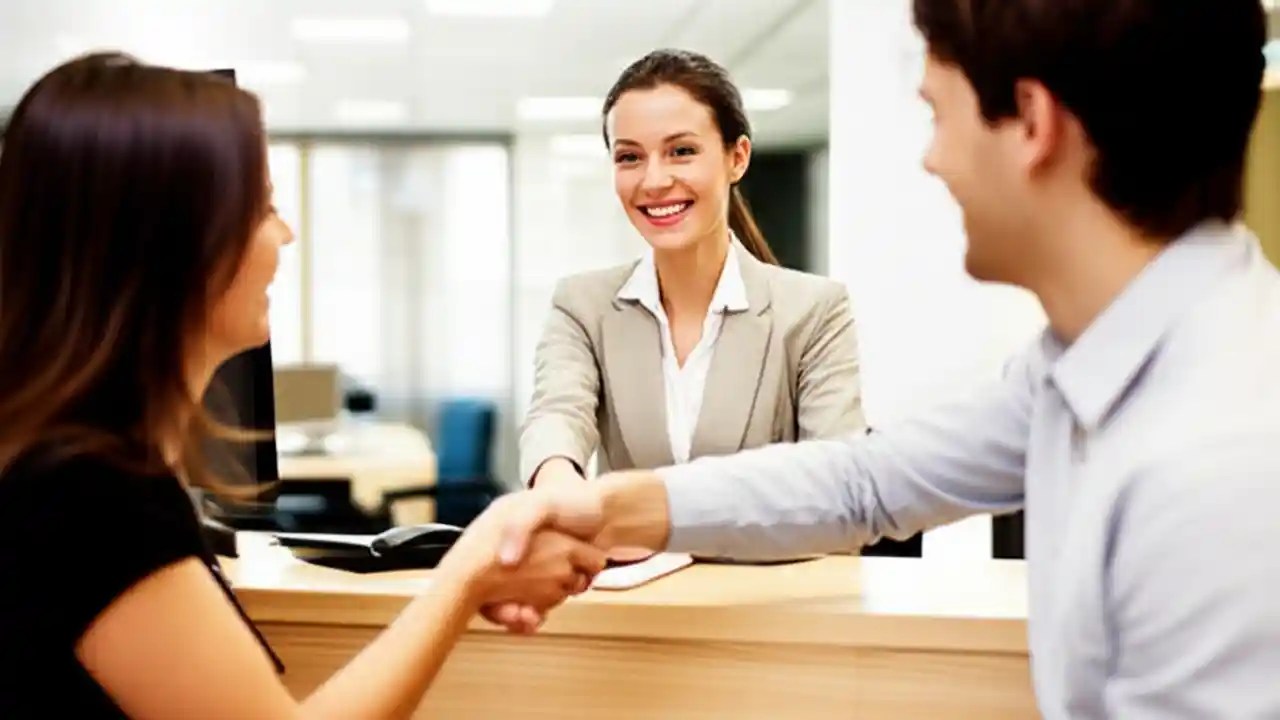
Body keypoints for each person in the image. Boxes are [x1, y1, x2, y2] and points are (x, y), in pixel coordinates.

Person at [492, 0, 1280, 716]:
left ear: (1031, 124)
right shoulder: (1085, 362)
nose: (931, 160)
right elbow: (864, 481)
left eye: (937, 114)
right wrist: (603, 511)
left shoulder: (1220, 458)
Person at [0, 53, 604, 718]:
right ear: (174, 244)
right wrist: (469, 571)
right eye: (262, 207)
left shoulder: (70, 468)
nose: (285, 235)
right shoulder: (90, 497)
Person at [521, 50, 869, 555]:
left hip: (770, 595)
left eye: (681, 151)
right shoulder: (583, 305)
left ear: (737, 158)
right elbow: (557, 416)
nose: (654, 180)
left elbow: (837, 492)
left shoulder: (815, 311)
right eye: (629, 157)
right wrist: (558, 485)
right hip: (635, 596)